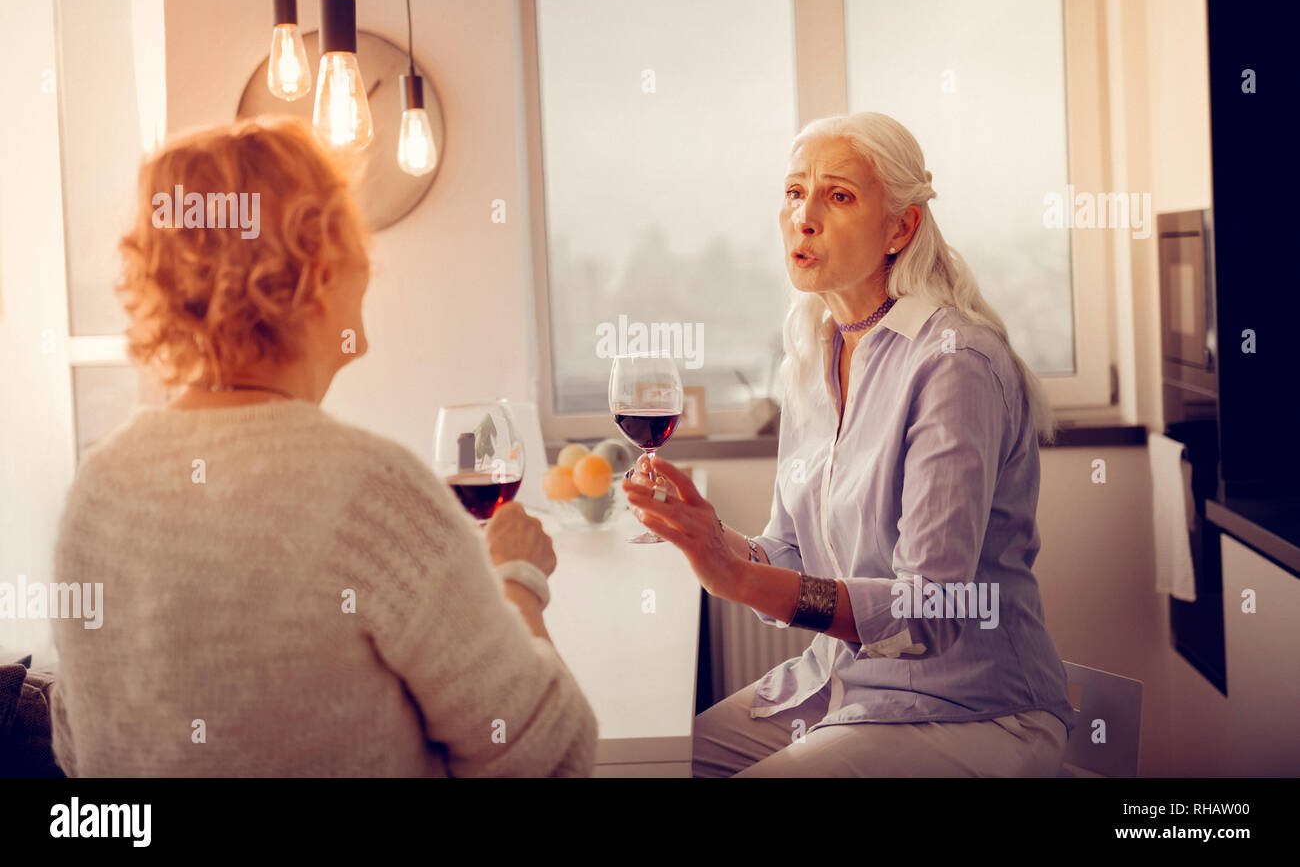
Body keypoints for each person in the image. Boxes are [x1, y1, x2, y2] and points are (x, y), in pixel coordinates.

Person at [49, 115, 596, 777]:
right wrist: (519, 581)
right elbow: (548, 753)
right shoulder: (370, 487)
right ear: (316, 263)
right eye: (348, 223)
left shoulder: (98, 488)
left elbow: (81, 751)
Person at [624, 111, 1075, 777]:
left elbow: (930, 608)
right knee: (667, 765)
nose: (803, 217)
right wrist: (714, 540)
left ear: (901, 227)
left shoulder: (953, 364)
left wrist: (742, 578)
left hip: (968, 710)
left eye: (838, 196)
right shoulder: (810, 357)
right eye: (793, 192)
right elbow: (790, 550)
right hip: (843, 687)